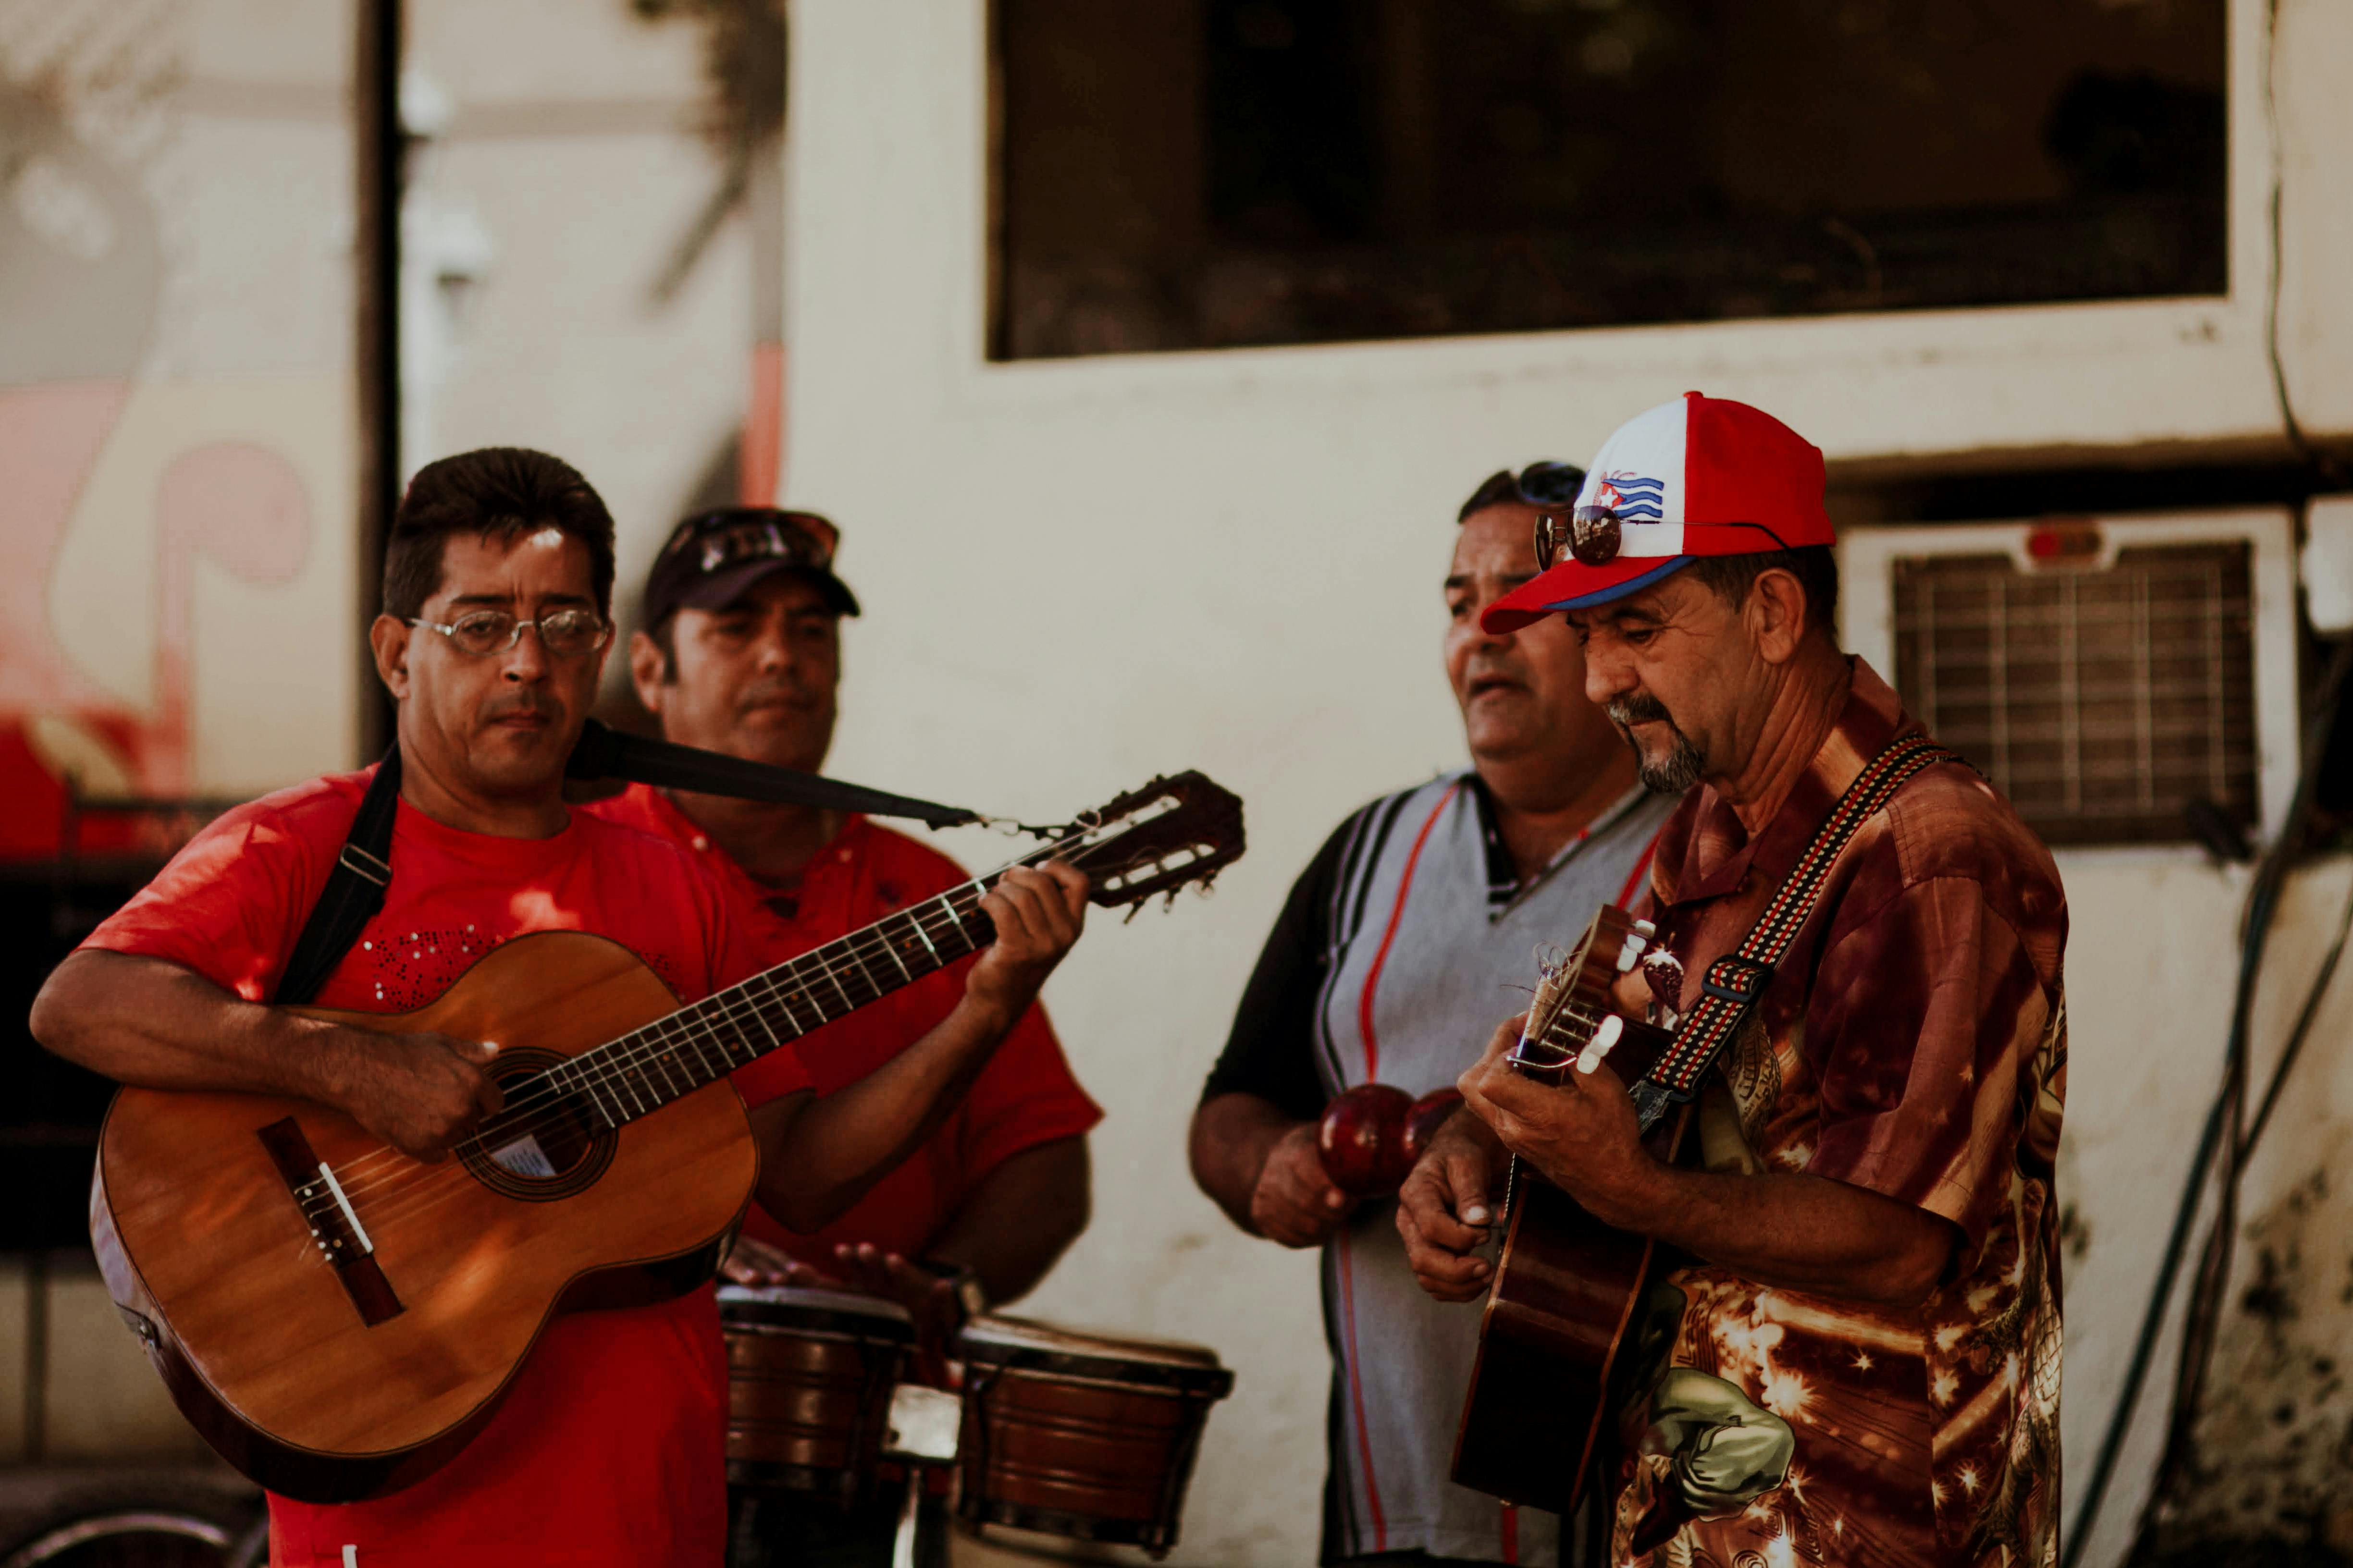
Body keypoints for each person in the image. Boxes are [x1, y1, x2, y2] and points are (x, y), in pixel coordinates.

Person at [27, 450, 1089, 1568]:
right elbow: (82, 1003)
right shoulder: (300, 845)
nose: (528, 664)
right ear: (397, 653)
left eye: (564, 625)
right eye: (479, 625)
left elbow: (803, 1174)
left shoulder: (678, 884)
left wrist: (985, 1007)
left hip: (642, 1514)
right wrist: (347, 1068)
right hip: (390, 1514)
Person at [1397, 393, 2067, 1567]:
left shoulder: (1928, 853)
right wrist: (1474, 1137)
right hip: (1688, 1525)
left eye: (1639, 630)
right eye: (1590, 632)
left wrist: (1637, 1195)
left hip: (1872, 1532)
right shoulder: (1706, 835)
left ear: (1770, 611)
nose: (1601, 677)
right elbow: (1598, 1053)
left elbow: (1904, 1237)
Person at [594, 506, 1102, 1567]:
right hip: (603, 1439)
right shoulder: (582, 878)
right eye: (735, 630)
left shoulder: (932, 895)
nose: (781, 654)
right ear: (651, 668)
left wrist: (940, 1292)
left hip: (852, 1445)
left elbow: (1045, 1166)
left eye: (810, 630)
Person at [1188, 464, 1674, 1568]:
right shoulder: (1367, 855)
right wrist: (1265, 1162)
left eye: (1522, 597)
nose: (1483, 633)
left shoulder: (1704, 857)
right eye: (1460, 603)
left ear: (1611, 629)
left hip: (1636, 1510)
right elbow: (1230, 1102)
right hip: (1388, 1508)